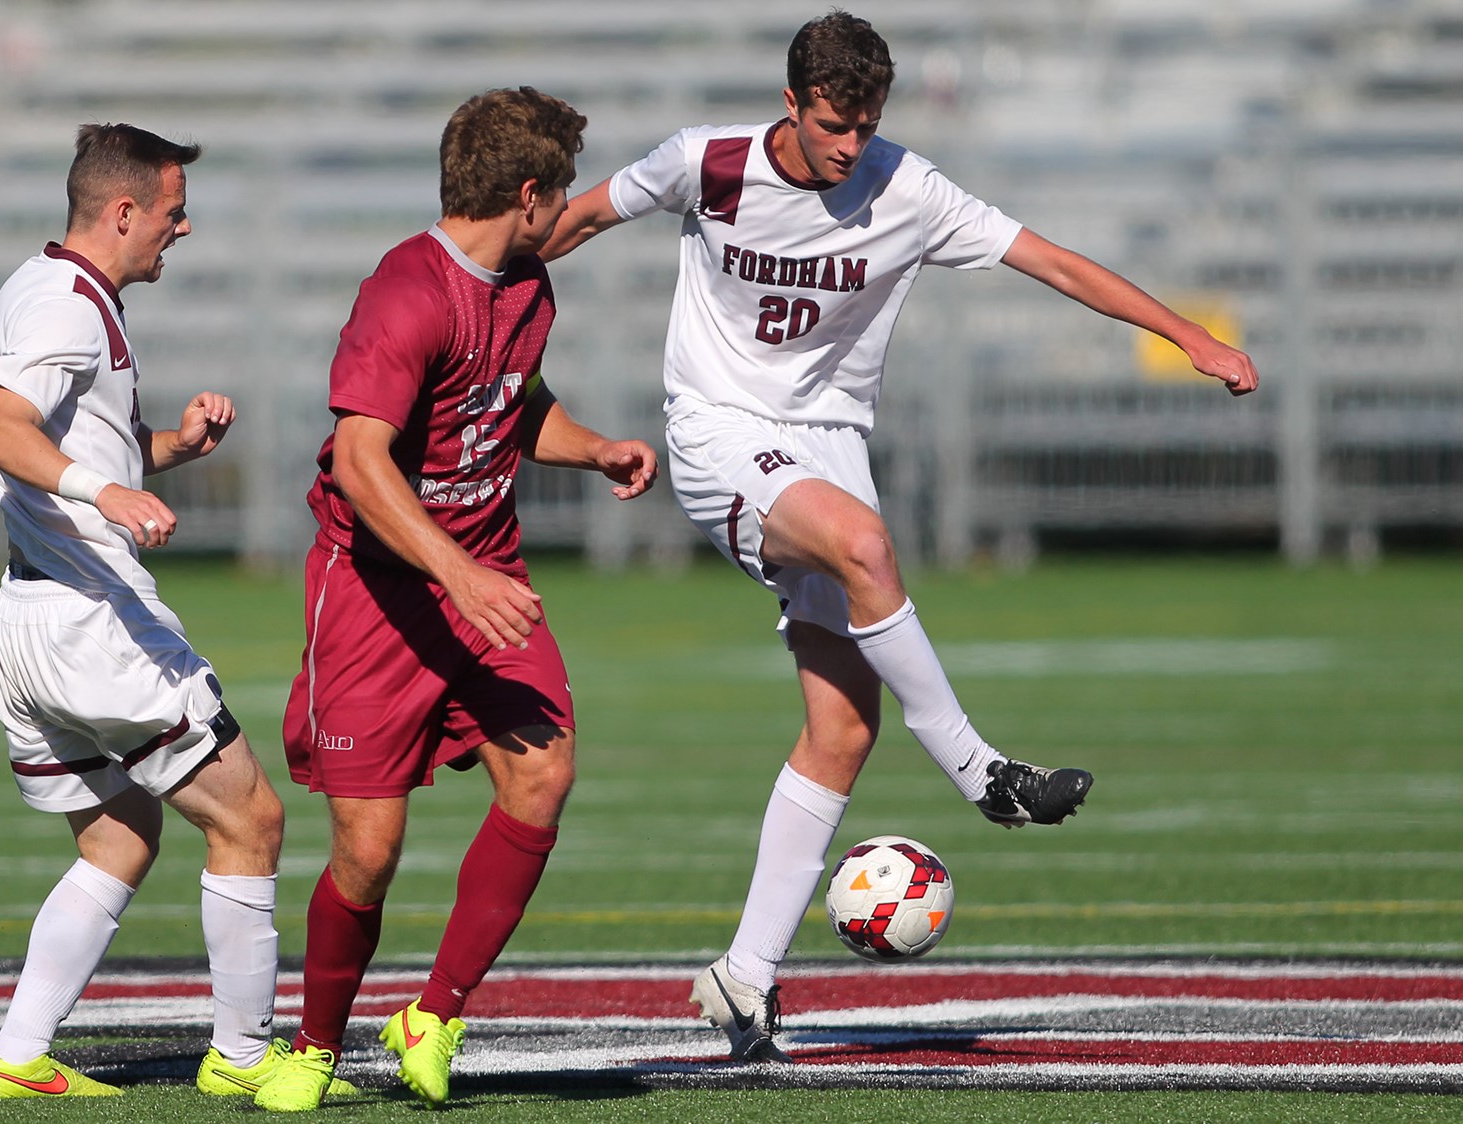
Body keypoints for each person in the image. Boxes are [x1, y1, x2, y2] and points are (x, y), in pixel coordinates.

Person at [540, 9, 1260, 1063]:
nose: (849, 144)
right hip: (717, 434)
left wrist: (1188, 334)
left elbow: (1051, 263)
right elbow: (574, 220)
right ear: (790, 104)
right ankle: (982, 774)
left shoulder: (904, 185)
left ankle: (743, 977)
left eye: (865, 121)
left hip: (829, 446)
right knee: (868, 547)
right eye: (833, 123)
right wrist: (463, 279)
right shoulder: (708, 163)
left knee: (841, 726)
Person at [248, 87, 659, 1112]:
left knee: (543, 773)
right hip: (379, 596)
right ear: (527, 194)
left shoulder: (526, 282)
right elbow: (356, 458)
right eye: (560, 194)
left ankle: (432, 1015)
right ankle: (311, 1045)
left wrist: (591, 444)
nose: (569, 212)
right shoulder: (405, 292)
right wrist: (456, 572)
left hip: (484, 577)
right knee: (368, 850)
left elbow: (509, 409)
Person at [0, 123, 348, 1101]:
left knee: (120, 831)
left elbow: (42, 435)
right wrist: (106, 493)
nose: (182, 226)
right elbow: (4, 430)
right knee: (249, 816)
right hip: (91, 619)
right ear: (122, 212)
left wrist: (167, 449)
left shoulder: (45, 287)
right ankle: (243, 1056)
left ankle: (16, 1055)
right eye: (170, 212)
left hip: (29, 616)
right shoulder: (71, 309)